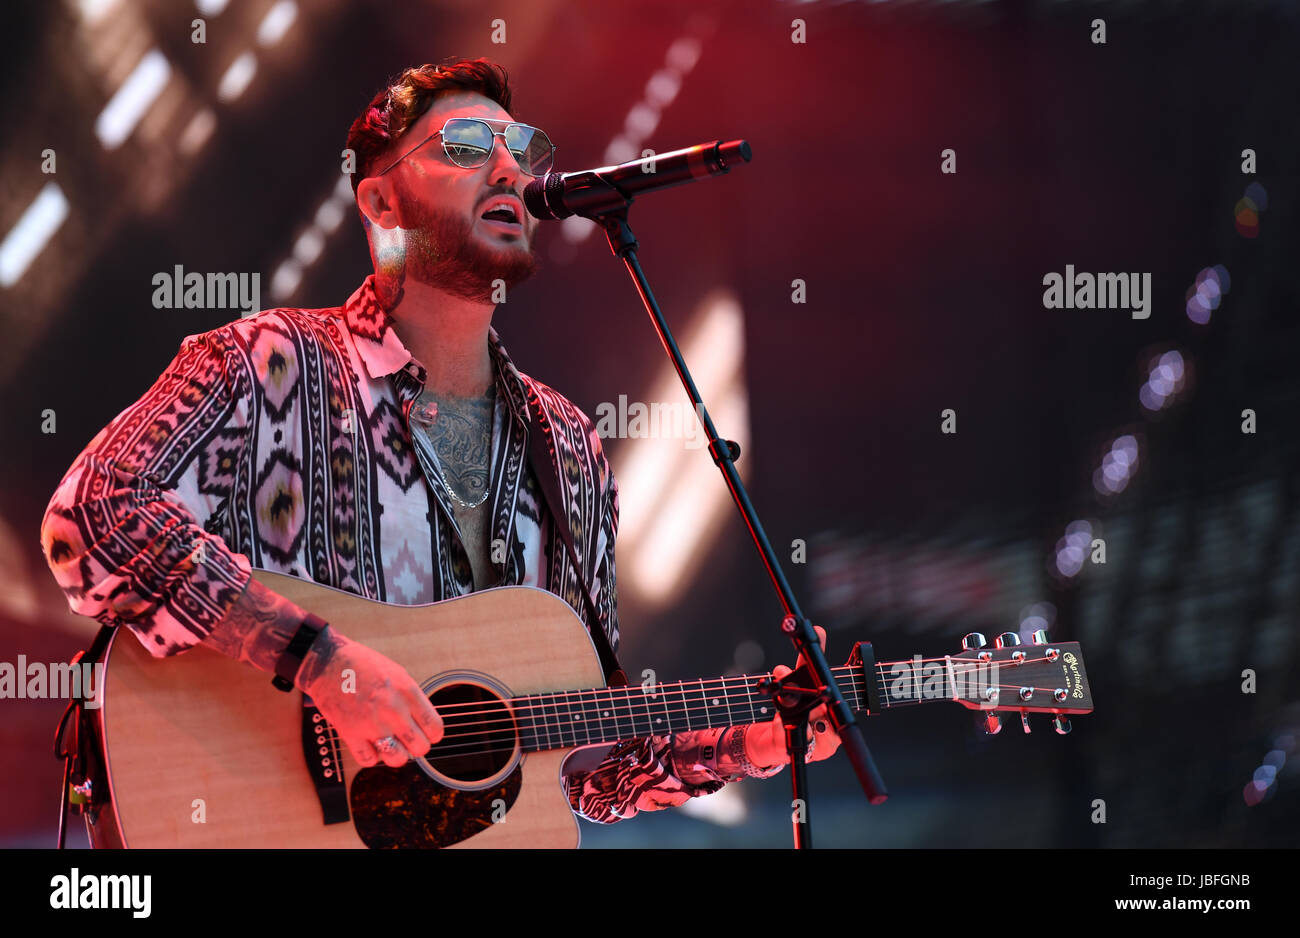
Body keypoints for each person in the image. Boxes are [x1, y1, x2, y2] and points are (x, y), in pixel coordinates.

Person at [40, 57, 840, 829]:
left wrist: (745, 746)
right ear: (381, 204)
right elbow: (91, 515)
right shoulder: (266, 364)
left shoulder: (567, 448)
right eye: (463, 148)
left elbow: (591, 775)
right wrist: (321, 661)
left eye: (521, 149)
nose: (508, 169)